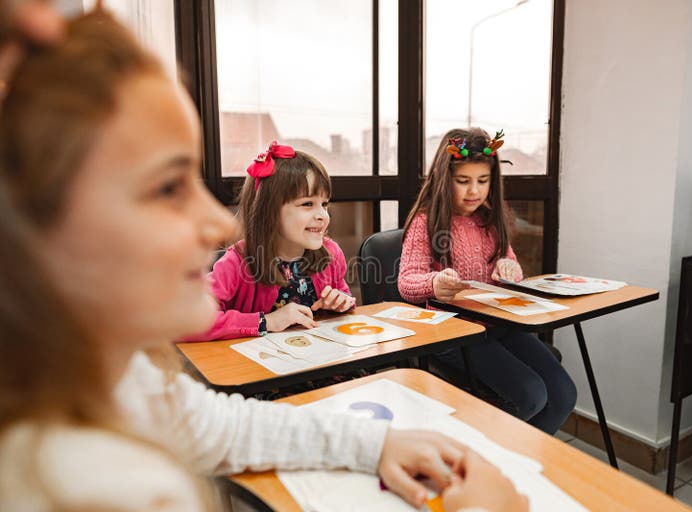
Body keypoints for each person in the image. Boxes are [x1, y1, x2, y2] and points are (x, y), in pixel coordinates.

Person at [0, 8, 471, 510]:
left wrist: (375, 443)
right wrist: (264, 322)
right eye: (168, 187)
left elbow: (223, 425)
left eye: (324, 204)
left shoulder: (123, 379)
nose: (220, 225)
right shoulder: (77, 483)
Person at [398, 127, 577, 434]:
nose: (474, 191)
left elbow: (511, 265)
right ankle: (482, 448)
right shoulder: (425, 221)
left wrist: (509, 268)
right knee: (531, 395)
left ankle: (522, 454)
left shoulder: (490, 218)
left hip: (499, 324)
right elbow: (407, 280)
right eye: (463, 181)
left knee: (563, 395)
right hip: (454, 332)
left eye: (483, 181)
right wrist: (435, 283)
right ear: (444, 179)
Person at [188, 144, 356, 341]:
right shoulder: (237, 262)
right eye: (307, 204)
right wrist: (266, 321)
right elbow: (188, 320)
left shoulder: (330, 253)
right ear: (270, 211)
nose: (322, 216)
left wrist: (341, 302)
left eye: (324, 204)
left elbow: (343, 295)